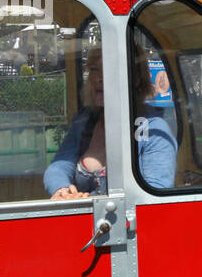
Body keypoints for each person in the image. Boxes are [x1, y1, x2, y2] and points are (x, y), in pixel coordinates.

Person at [45, 47, 176, 198]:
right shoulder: (84, 120)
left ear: (136, 79)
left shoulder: (153, 129)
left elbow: (155, 191)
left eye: (111, 70)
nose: (99, 78)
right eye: (94, 70)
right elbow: (59, 165)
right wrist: (62, 189)